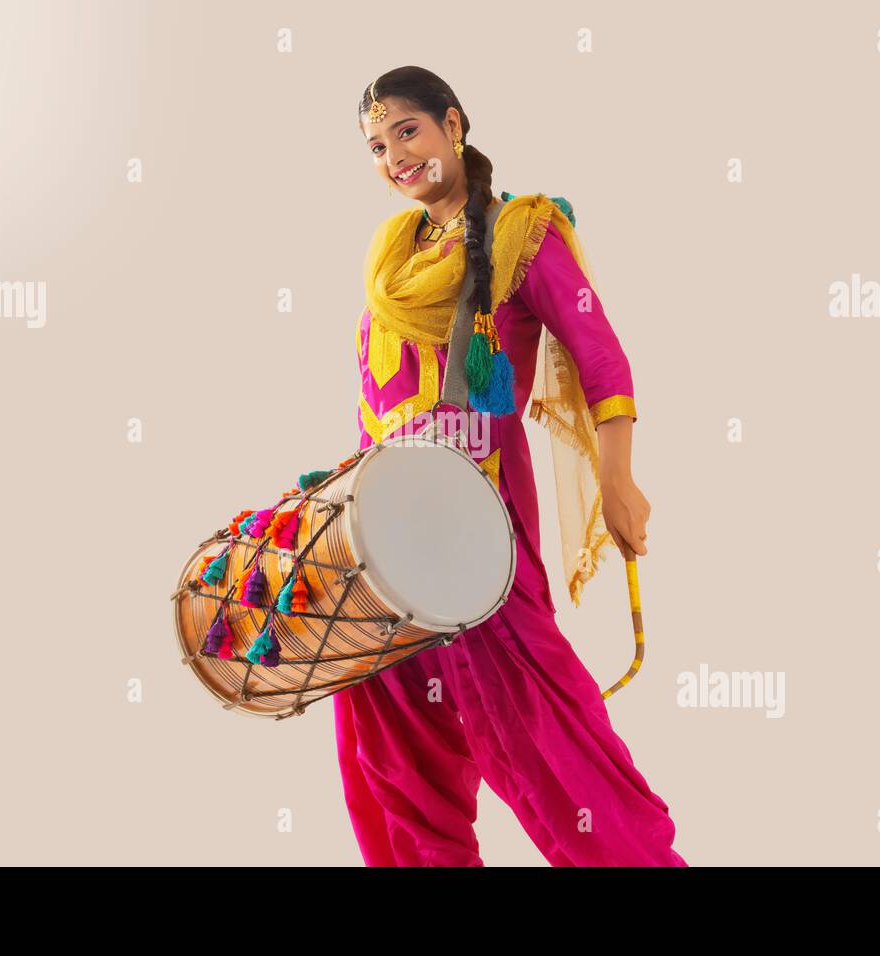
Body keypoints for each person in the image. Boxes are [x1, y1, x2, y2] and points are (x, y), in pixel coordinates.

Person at [335, 66, 687, 867]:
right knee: (394, 733)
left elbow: (602, 360)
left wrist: (618, 481)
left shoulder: (521, 231)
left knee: (535, 721)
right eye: (377, 146)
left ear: (454, 125)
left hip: (476, 517)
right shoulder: (392, 256)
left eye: (407, 132)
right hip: (381, 529)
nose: (394, 156)